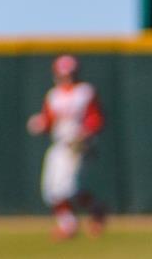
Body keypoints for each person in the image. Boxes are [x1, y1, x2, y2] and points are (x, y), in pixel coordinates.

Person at [25, 54, 108, 239]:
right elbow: (49, 121)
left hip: (77, 145)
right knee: (50, 189)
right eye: (62, 74)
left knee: (66, 188)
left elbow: (96, 119)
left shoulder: (84, 92)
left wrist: (86, 134)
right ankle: (94, 210)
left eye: (69, 74)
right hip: (59, 144)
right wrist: (40, 123)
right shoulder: (53, 95)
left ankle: (69, 225)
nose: (66, 78)